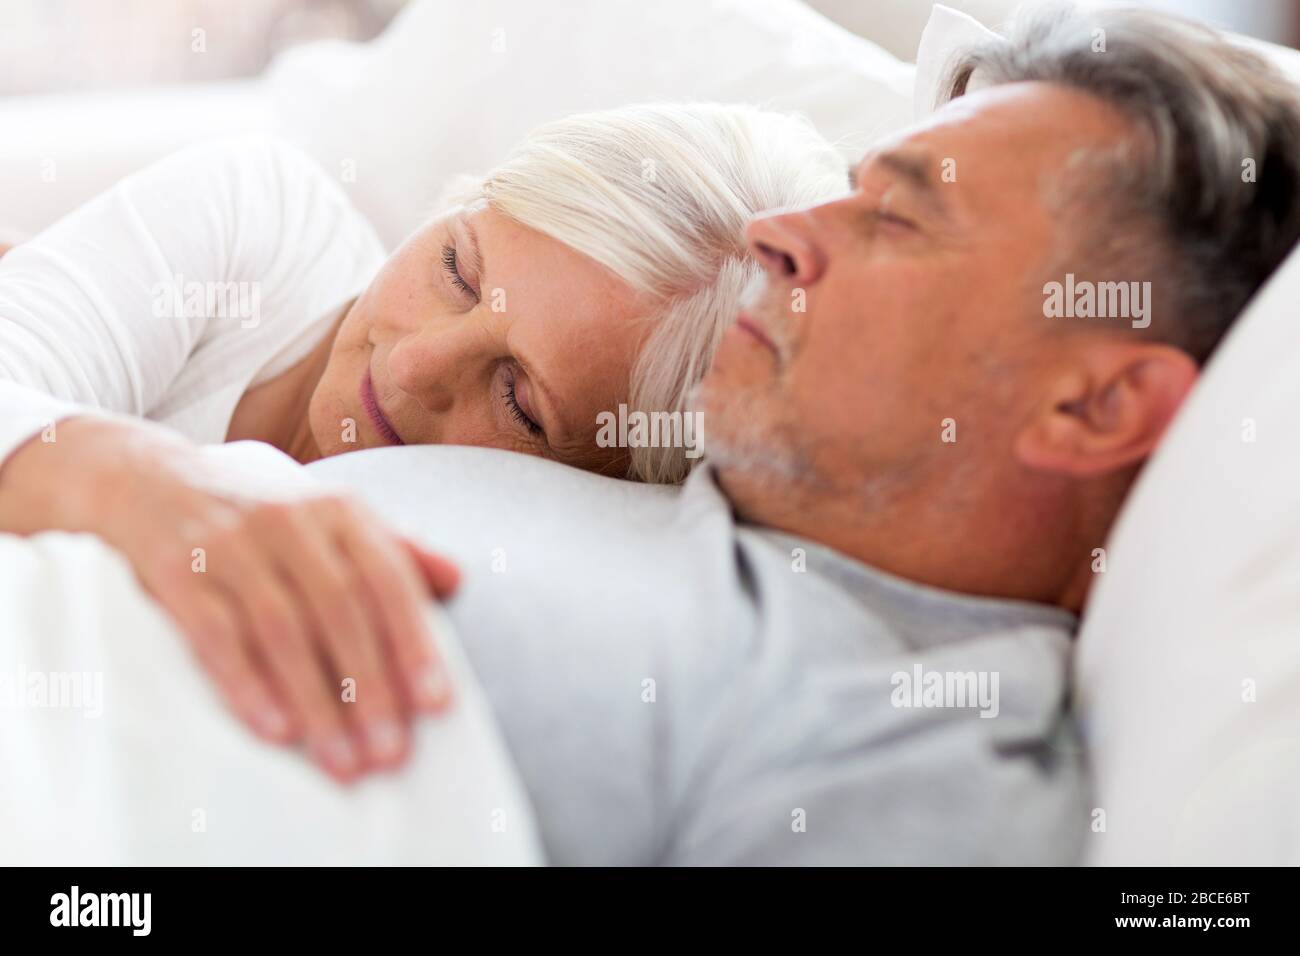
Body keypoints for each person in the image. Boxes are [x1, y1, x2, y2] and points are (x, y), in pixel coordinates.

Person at [309, 2, 1300, 863]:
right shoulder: (663, 483)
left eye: (894, 220)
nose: (769, 235)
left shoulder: (913, 747)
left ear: (1091, 408)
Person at [0, 104, 849, 781]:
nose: (412, 365)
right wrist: (137, 485)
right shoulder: (259, 218)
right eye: (458, 269)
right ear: (460, 202)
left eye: (519, 398)